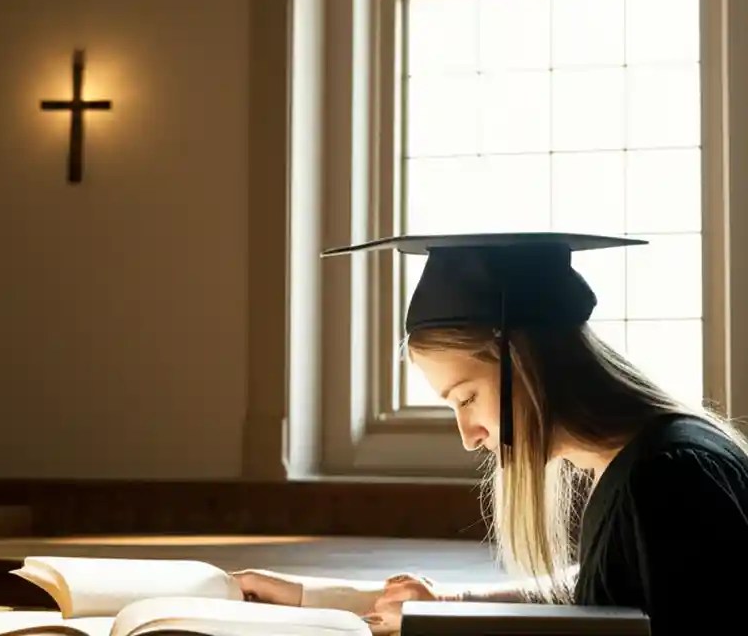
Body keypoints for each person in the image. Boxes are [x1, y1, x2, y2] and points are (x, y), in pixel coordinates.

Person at [232, 232, 748, 634]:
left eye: (467, 397)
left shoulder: (671, 474)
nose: (468, 435)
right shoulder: (641, 466)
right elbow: (600, 593)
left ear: (523, 363)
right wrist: (432, 605)